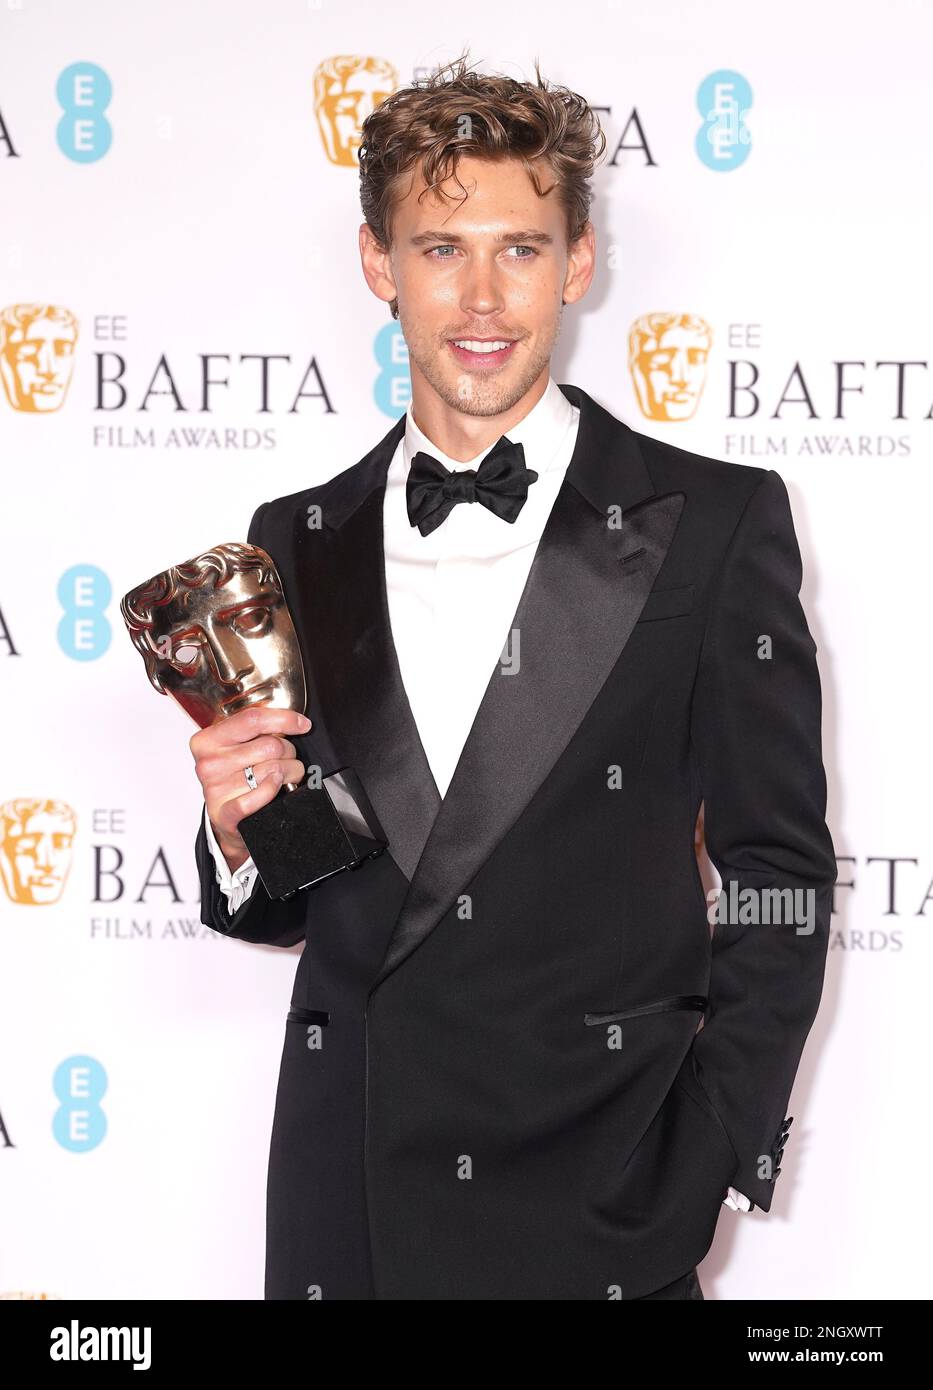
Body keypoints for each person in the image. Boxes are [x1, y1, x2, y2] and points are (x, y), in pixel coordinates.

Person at [190, 54, 836, 1300]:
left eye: (521, 248)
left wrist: (698, 1159)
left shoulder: (713, 522)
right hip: (353, 1210)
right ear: (378, 264)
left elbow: (781, 876)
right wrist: (238, 828)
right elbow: (308, 894)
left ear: (578, 262)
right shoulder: (291, 538)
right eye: (440, 249)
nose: (482, 297)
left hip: (599, 1219)